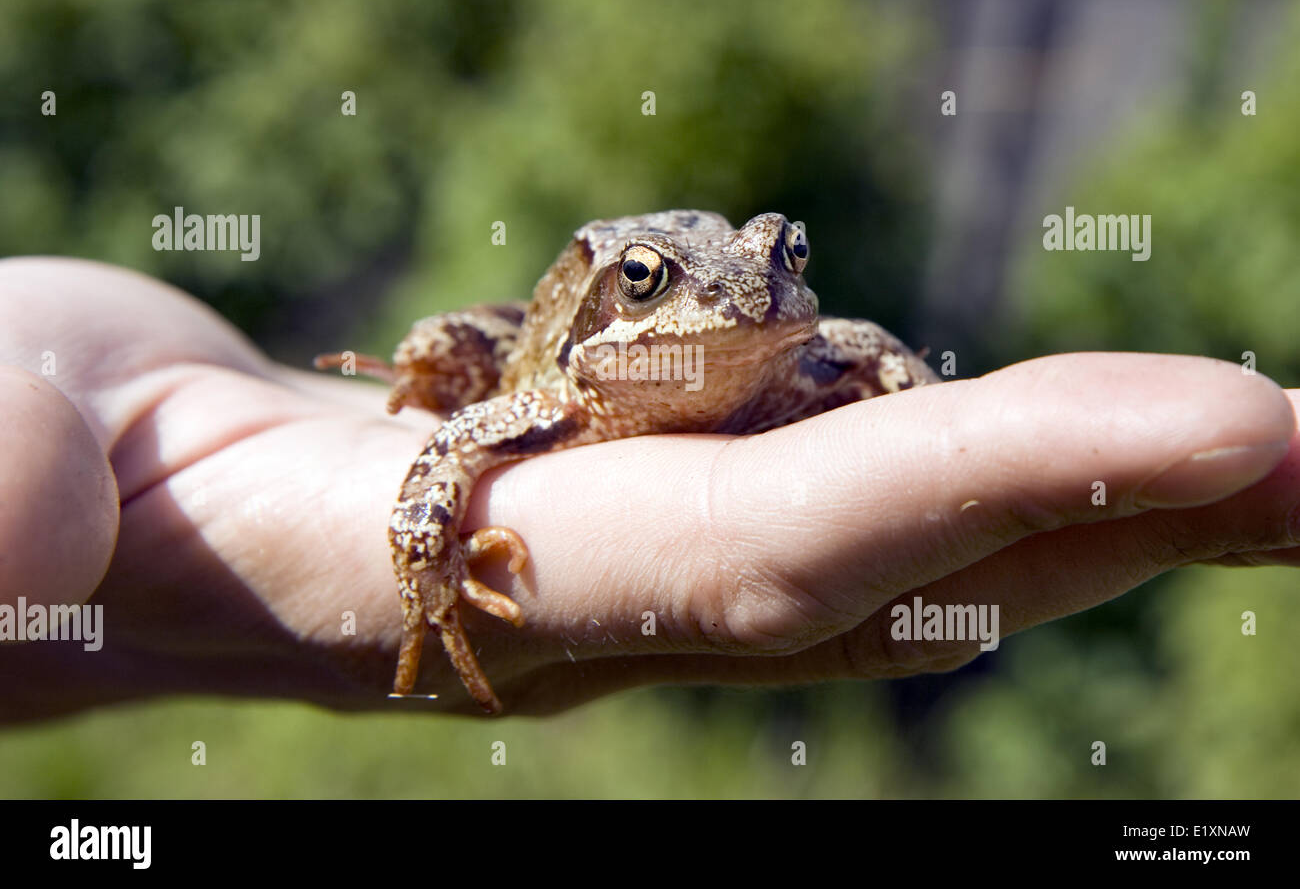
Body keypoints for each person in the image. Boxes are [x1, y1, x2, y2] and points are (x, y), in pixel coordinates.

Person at [1, 256, 1296, 720]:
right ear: (622, 297)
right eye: (662, 287)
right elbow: (439, 456)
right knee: (433, 353)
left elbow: (886, 361)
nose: (741, 300)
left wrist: (914, 403)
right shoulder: (555, 393)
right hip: (541, 347)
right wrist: (432, 580)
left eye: (779, 265)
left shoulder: (802, 352)